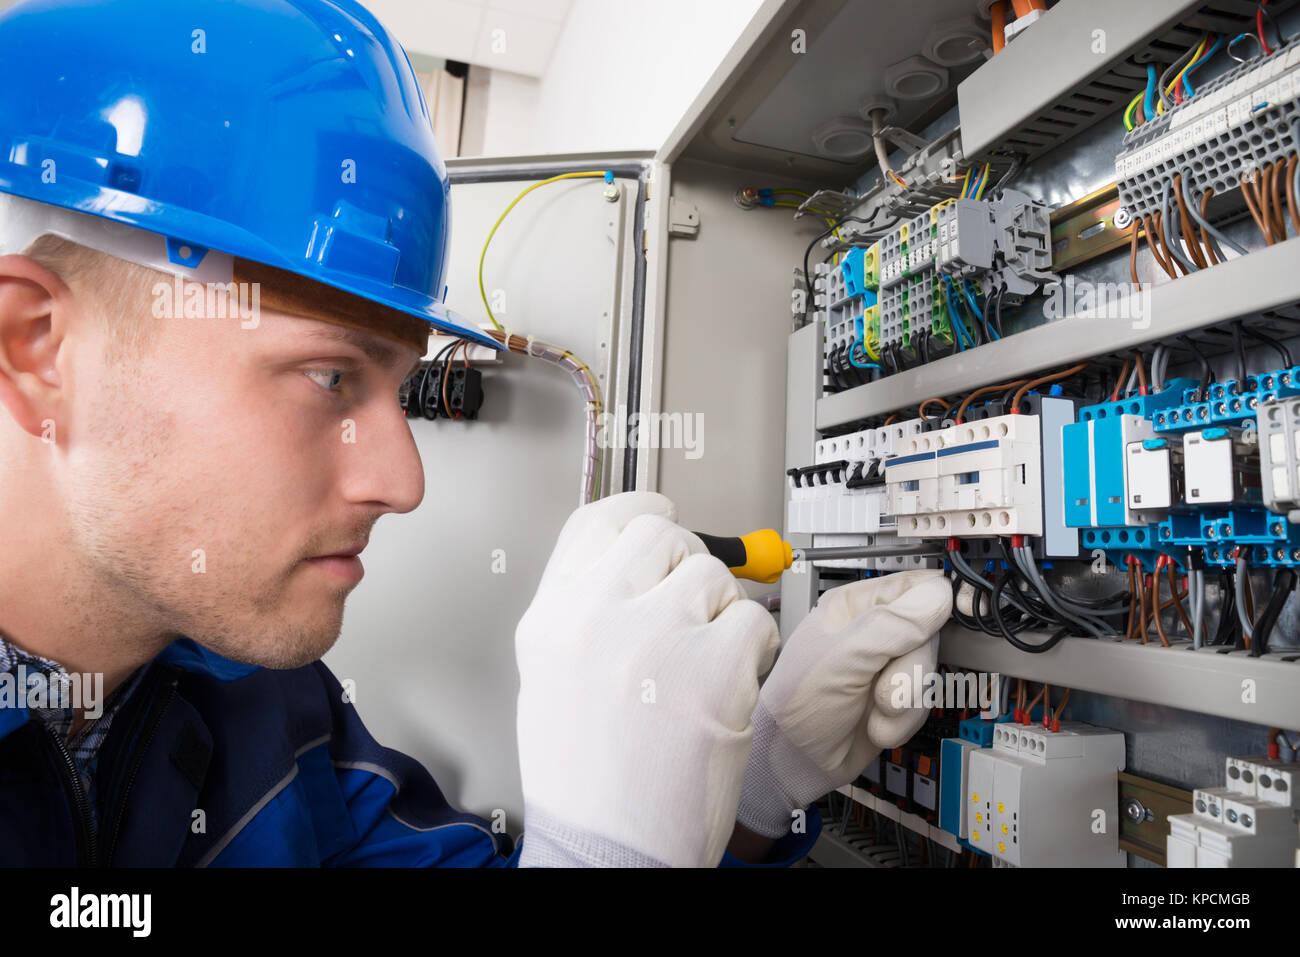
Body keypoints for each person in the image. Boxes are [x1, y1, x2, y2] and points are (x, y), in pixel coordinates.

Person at [0, 0, 952, 867]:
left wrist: (754, 797)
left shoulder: (273, 717)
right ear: (39, 346)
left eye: (400, 388)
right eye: (330, 375)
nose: (404, 480)